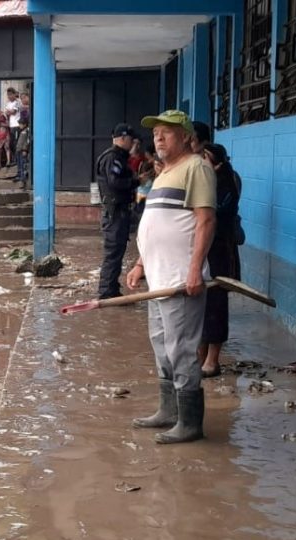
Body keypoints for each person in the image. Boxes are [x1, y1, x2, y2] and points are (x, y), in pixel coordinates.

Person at [126, 110, 217, 445]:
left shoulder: (196, 167)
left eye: (166, 132)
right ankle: (169, 411)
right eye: (156, 134)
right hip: (157, 279)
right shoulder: (165, 172)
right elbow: (155, 224)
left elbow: (206, 221)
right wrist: (140, 264)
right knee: (162, 347)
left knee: (181, 349)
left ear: (185, 136)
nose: (159, 139)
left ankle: (190, 423)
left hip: (180, 280)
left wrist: (195, 269)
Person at [199, 143, 242, 377]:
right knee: (200, 305)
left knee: (216, 304)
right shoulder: (204, 181)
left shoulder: (227, 183)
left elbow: (212, 214)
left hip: (220, 251)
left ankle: (212, 360)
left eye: (204, 157)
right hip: (203, 251)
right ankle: (200, 355)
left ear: (216, 163)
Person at [95, 123, 140, 299]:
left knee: (117, 251)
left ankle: (112, 288)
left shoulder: (119, 157)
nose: (133, 143)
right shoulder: (112, 158)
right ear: (122, 138)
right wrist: (137, 182)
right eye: (131, 140)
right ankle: (106, 292)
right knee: (113, 253)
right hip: (115, 213)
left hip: (119, 212)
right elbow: (115, 182)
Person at [13, 116, 31, 188]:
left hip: (22, 151)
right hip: (18, 150)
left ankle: (23, 178)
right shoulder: (21, 131)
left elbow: (27, 142)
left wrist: (25, 149)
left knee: (23, 164)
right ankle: (19, 175)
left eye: (21, 124)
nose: (19, 125)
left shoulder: (27, 131)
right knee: (19, 164)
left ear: (25, 124)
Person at [5, 87, 22, 161]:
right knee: (11, 143)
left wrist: (9, 112)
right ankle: (14, 158)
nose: (9, 96)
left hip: (17, 125)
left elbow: (13, 112)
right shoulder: (8, 103)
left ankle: (17, 159)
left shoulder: (18, 102)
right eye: (8, 95)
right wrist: (9, 112)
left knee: (16, 142)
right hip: (11, 125)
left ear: (15, 94)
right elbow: (7, 113)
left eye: (11, 94)